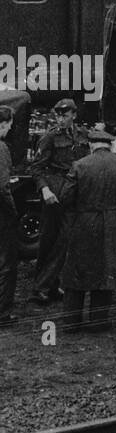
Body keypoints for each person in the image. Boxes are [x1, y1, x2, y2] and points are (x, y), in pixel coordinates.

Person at [59, 127, 116, 332]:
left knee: (77, 268)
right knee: (106, 269)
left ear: (91, 145)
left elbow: (65, 198)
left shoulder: (79, 165)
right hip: (111, 222)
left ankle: (71, 323)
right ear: (110, 145)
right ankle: (98, 322)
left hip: (84, 222)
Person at [29, 98, 89, 304]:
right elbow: (36, 168)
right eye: (58, 115)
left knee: (64, 240)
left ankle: (46, 286)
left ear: (74, 115)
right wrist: (45, 189)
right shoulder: (50, 137)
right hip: (54, 191)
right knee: (49, 240)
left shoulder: (83, 135)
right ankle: (43, 288)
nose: (60, 119)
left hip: (72, 191)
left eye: (64, 115)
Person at [0, 106, 17, 326]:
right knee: (6, 263)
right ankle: (2, 313)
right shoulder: (2, 148)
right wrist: (13, 211)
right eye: (9, 124)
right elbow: (3, 187)